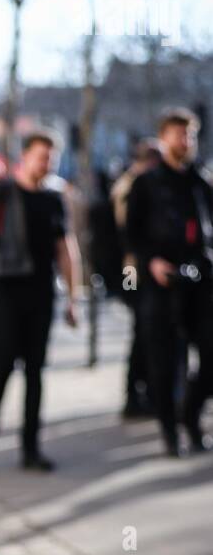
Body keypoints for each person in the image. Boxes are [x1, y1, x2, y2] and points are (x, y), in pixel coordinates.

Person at [0, 129, 80, 470]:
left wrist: (73, 298)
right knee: (2, 369)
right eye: (42, 157)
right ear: (25, 157)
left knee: (35, 372)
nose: (47, 164)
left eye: (52, 159)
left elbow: (65, 249)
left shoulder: (54, 199)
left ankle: (31, 448)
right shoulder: (1, 193)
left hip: (42, 292)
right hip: (5, 292)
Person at [126, 106, 213, 455]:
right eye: (179, 134)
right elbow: (130, 234)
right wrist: (152, 263)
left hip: (201, 282)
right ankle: (170, 432)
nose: (185, 141)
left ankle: (189, 416)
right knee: (163, 364)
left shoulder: (200, 182)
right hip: (159, 286)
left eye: (190, 134)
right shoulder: (145, 183)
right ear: (163, 139)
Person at [111, 138, 161, 417]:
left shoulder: (133, 183)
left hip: (134, 267)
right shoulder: (131, 186)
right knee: (141, 332)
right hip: (134, 269)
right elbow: (127, 233)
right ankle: (134, 395)